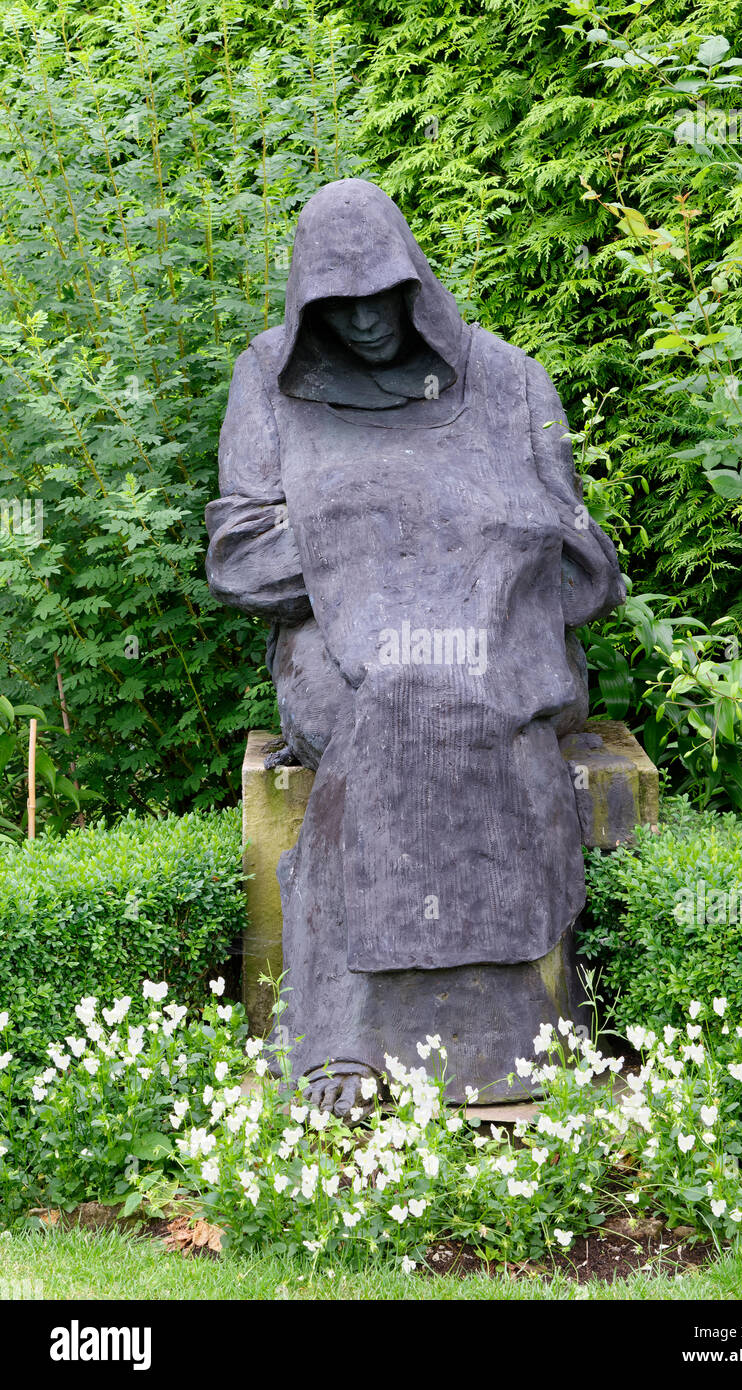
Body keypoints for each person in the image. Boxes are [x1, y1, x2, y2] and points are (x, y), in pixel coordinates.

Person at [206, 179, 625, 1118]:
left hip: (501, 647)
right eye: (335, 305)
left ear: (413, 284)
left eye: (378, 296)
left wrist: (477, 550)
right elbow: (236, 561)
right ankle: (342, 1035)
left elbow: (582, 561)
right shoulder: (269, 381)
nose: (361, 322)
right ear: (306, 306)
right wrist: (372, 533)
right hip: (335, 655)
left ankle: (515, 1035)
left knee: (463, 697)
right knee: (393, 697)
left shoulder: (509, 380)